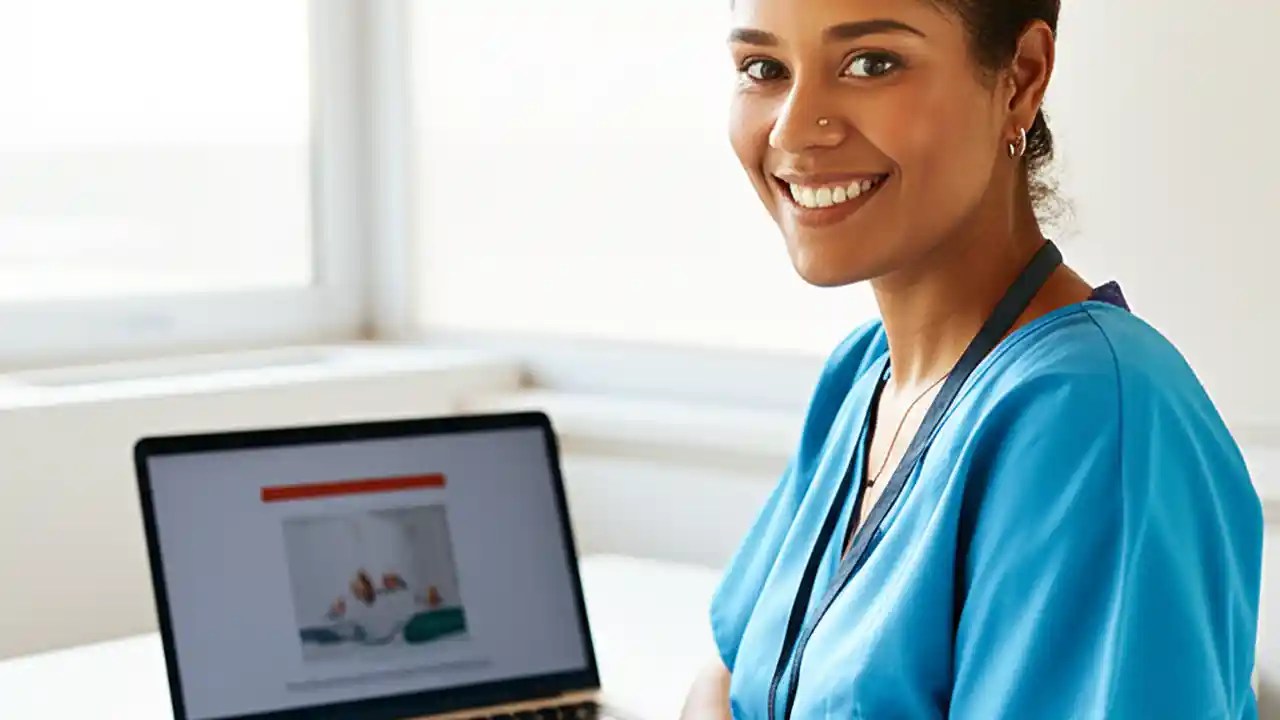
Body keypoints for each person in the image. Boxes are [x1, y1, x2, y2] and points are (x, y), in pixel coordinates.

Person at [681, 1, 1263, 718]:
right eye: (764, 69)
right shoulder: (863, 375)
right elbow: (724, 674)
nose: (796, 128)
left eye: (871, 63)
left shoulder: (1095, 419)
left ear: (1020, 79)